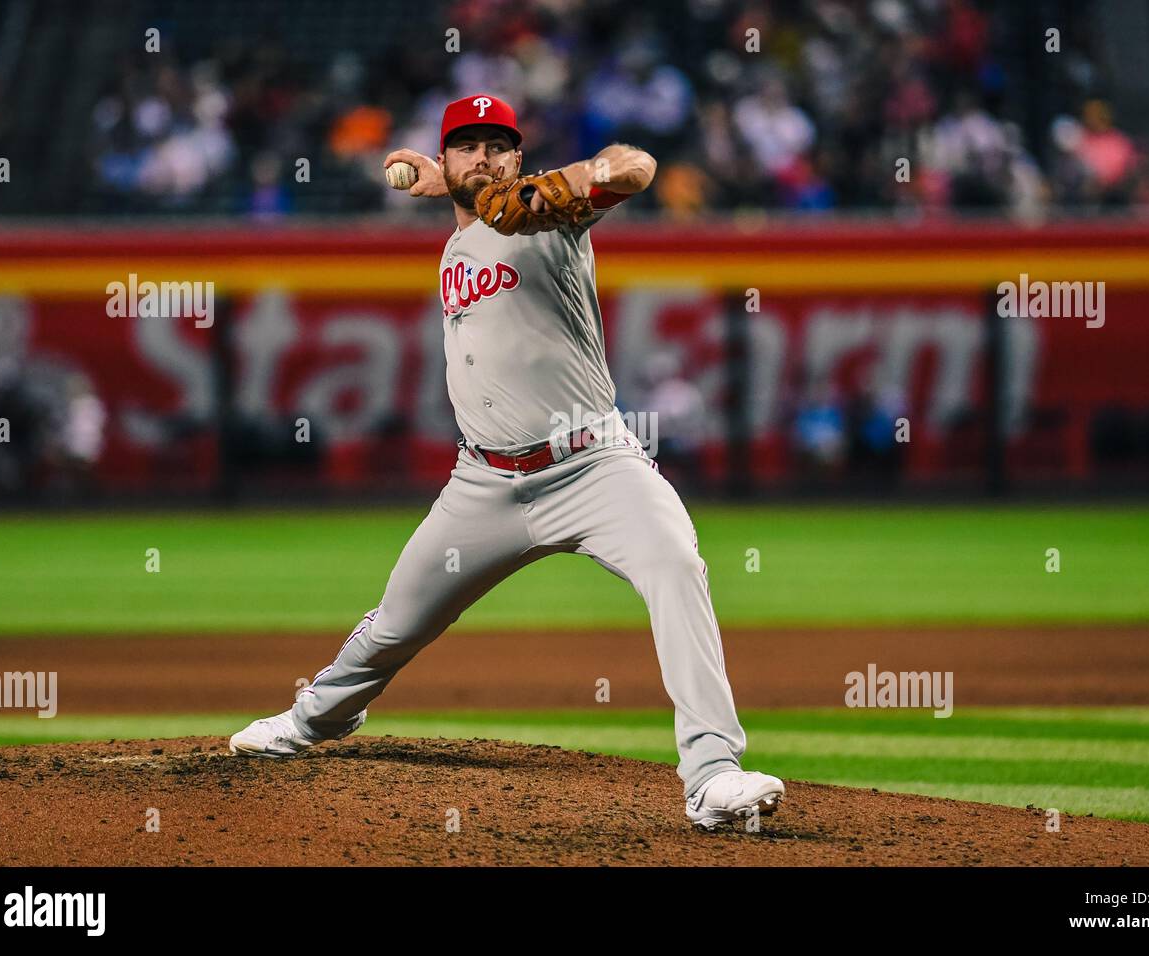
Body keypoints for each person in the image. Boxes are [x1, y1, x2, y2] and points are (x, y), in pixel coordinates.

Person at [229, 94, 784, 830]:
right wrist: (440, 185)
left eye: (499, 146)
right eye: (468, 146)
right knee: (396, 623)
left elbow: (636, 167)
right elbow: (461, 201)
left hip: (593, 466)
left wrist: (581, 178)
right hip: (483, 484)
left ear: (520, 159)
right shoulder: (457, 243)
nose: (484, 157)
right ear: (449, 157)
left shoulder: (551, 216)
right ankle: (311, 723)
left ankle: (713, 774)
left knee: (677, 566)